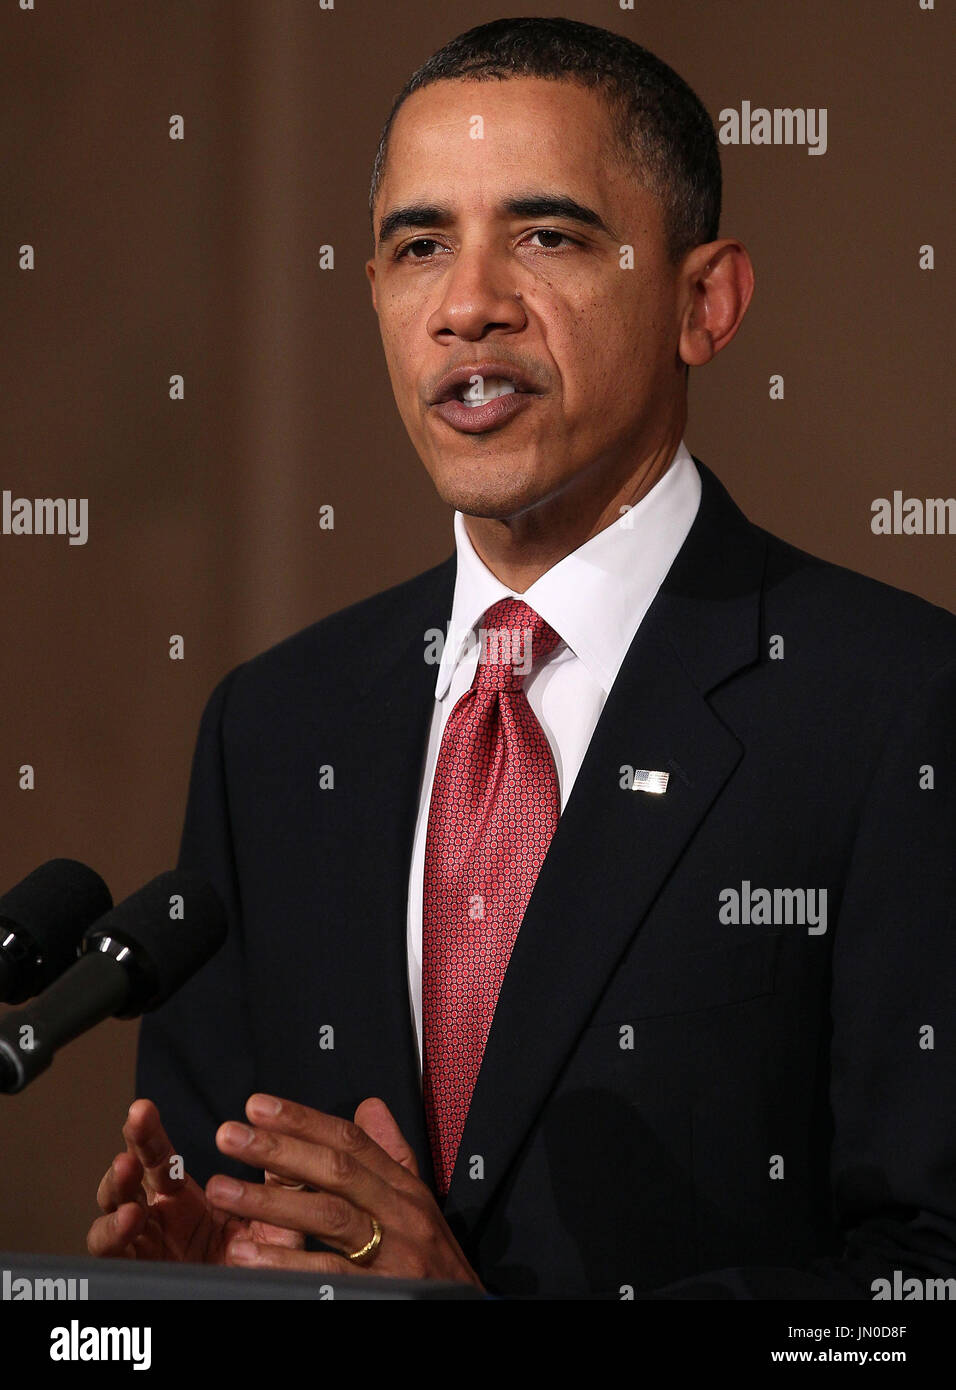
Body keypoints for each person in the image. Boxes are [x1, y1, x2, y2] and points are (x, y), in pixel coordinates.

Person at [86, 17, 956, 1298]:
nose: (467, 304)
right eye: (417, 245)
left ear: (701, 302)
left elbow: (927, 1279)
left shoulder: (893, 708)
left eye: (544, 236)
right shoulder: (274, 730)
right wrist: (206, 1286)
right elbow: (236, 1197)